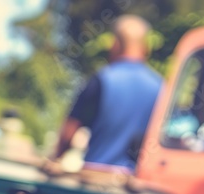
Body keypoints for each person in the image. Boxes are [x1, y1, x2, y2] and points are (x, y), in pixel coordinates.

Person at [54, 15, 162, 170]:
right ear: (146, 47)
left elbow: (68, 133)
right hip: (136, 184)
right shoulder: (161, 87)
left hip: (95, 177)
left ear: (115, 44)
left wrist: (56, 158)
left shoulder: (102, 80)